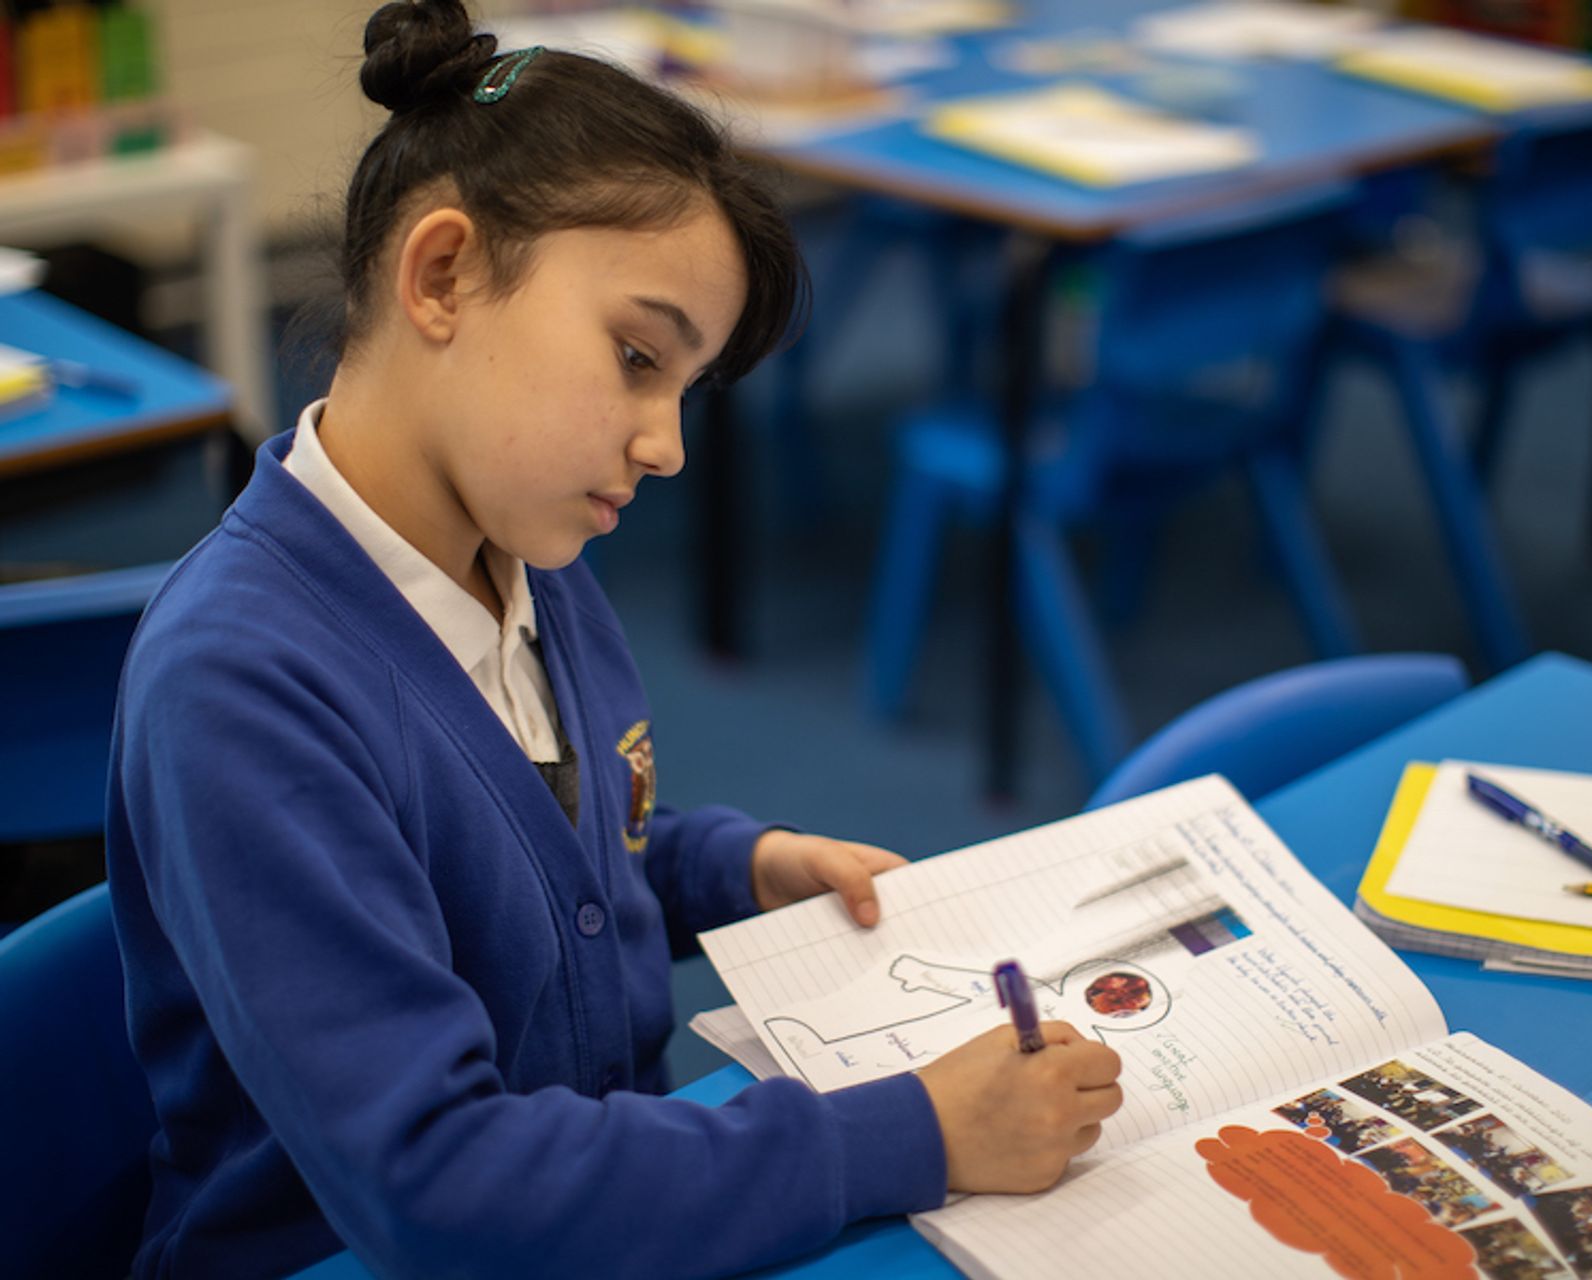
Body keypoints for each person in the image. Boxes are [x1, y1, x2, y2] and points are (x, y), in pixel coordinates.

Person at [103, 4, 1124, 1277]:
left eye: (685, 388)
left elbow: (541, 858)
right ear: (442, 277)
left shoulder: (526, 547)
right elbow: (438, 1183)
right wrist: (907, 1134)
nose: (667, 443)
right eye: (638, 355)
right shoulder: (242, 681)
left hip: (599, 1217)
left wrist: (728, 868)